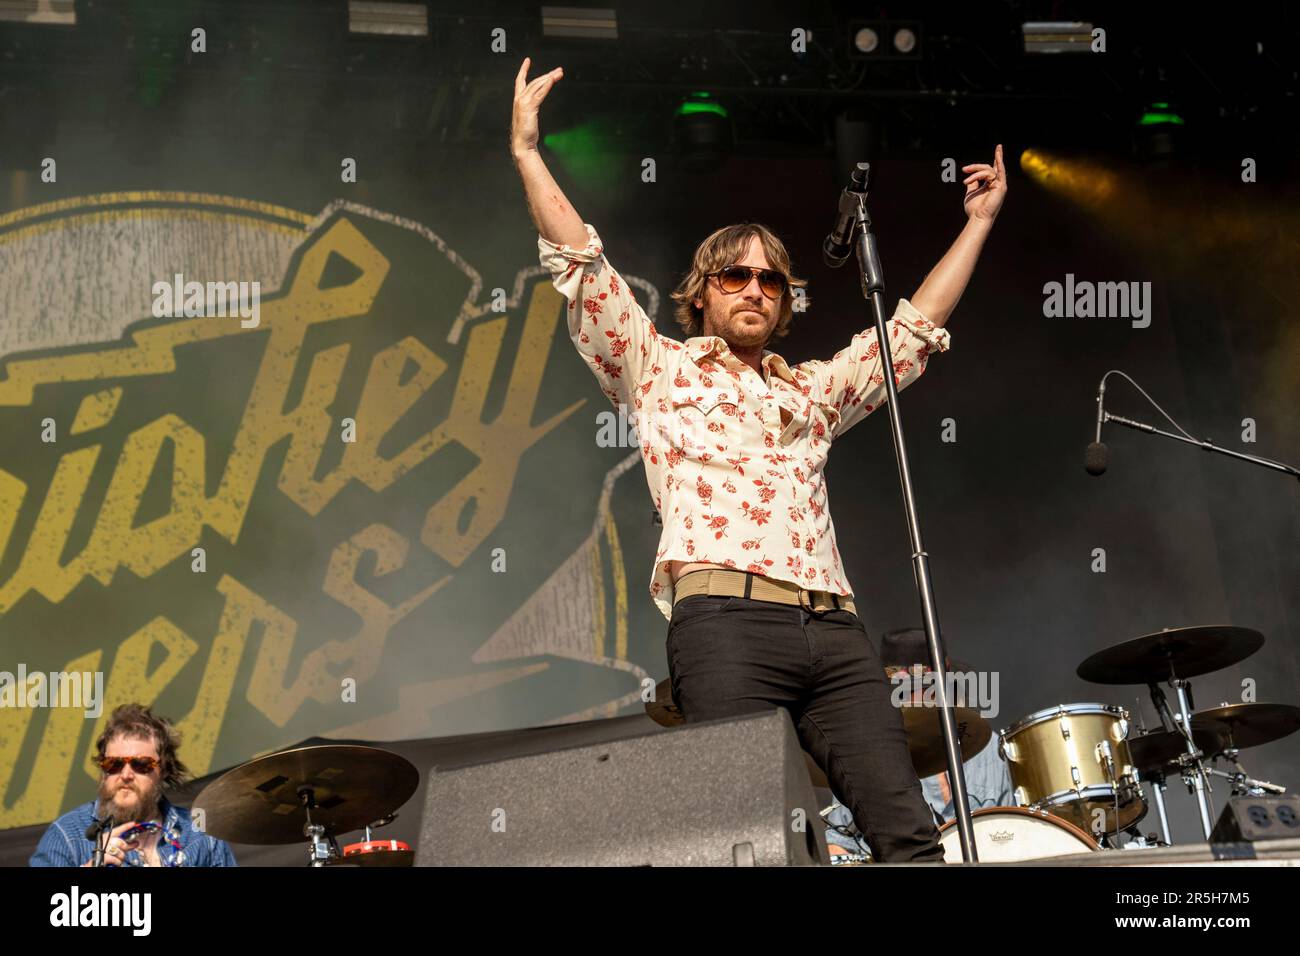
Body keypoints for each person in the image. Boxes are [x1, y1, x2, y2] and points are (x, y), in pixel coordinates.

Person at [512, 58, 1006, 862]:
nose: (754, 289)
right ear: (701, 292)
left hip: (835, 630)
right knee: (745, 841)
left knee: (910, 838)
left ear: (784, 301)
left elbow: (911, 332)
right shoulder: (658, 367)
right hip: (725, 624)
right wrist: (530, 154)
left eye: (770, 280)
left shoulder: (811, 390)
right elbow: (583, 268)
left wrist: (979, 223)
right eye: (735, 275)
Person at [824, 628, 1015, 860]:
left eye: (928, 686)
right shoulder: (865, 758)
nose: (920, 697)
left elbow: (1013, 832)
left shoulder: (988, 747)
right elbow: (836, 847)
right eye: (906, 689)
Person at [29, 703, 236, 867]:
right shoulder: (67, 835)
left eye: (141, 765)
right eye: (114, 764)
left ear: (164, 770)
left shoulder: (200, 835)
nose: (126, 775)